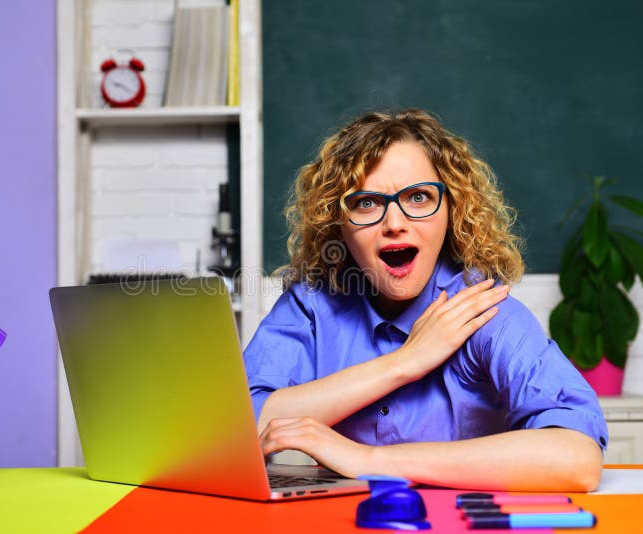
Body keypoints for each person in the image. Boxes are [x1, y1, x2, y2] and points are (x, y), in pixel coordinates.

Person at [243, 109, 607, 492]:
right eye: (366, 202)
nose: (394, 223)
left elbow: (577, 458)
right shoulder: (313, 304)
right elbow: (236, 430)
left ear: (453, 210)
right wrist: (404, 363)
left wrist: (369, 460)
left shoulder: (483, 311)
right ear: (338, 222)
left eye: (418, 197)